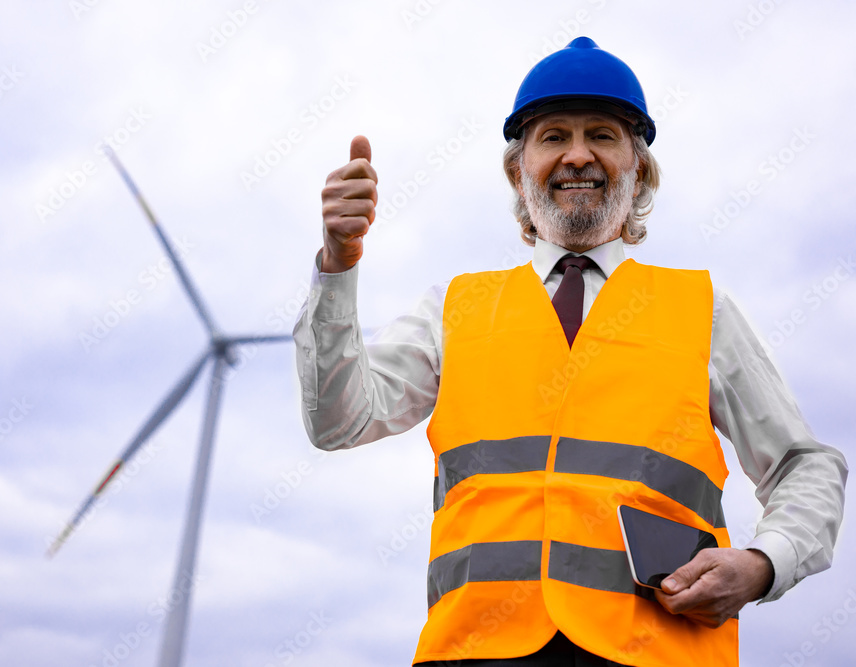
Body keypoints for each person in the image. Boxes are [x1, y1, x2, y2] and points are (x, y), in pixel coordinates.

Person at [292, 37, 847, 666]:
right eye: (553, 135)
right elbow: (339, 421)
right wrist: (338, 266)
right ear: (518, 169)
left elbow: (807, 466)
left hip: (656, 649)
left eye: (602, 136)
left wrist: (762, 563)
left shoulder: (703, 308)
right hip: (475, 651)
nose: (577, 154)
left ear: (639, 169)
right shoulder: (454, 309)